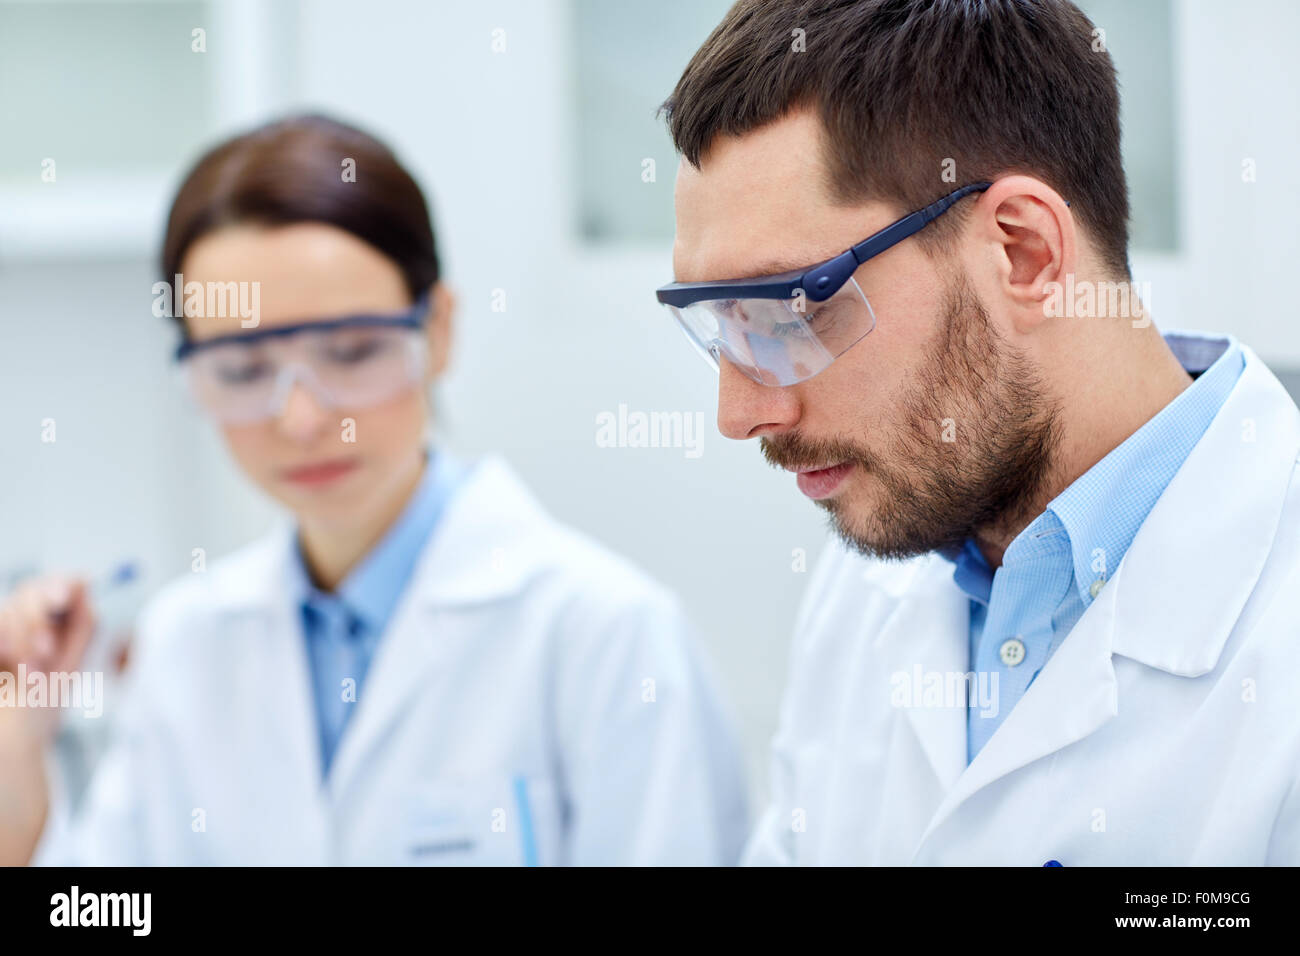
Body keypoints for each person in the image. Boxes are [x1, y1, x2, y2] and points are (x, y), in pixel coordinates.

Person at [0, 114, 748, 866]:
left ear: (441, 330)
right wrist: (18, 779)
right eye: (241, 370)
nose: (301, 418)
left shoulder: (606, 638)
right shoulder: (186, 644)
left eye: (352, 351)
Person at [654, 0, 1300, 864]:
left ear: (1023, 252)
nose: (741, 415)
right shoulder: (865, 585)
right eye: (718, 326)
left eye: (785, 311)